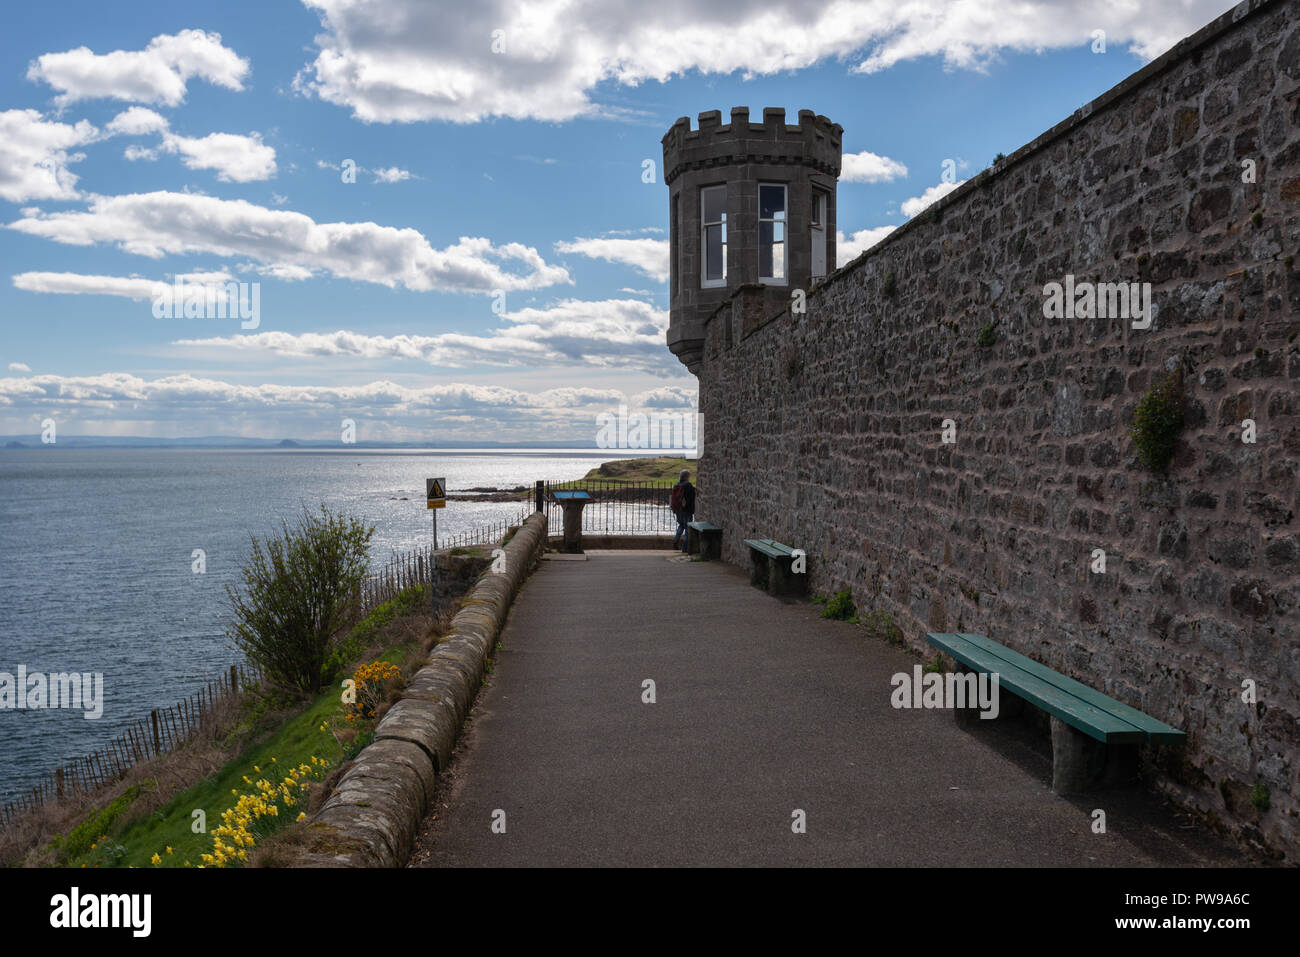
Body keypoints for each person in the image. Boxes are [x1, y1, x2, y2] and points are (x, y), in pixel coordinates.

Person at [671, 469, 696, 553]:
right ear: (686, 477)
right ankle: (685, 548)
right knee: (687, 528)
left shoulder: (676, 485)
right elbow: (691, 498)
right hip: (687, 510)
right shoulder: (688, 485)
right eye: (689, 476)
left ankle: (676, 539)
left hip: (678, 510)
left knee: (681, 525)